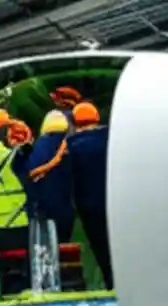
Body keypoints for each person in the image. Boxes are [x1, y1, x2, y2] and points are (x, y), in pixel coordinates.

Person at [0, 108, 34, 297]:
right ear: (1, 131)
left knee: (4, 277)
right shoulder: (13, 155)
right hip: (18, 224)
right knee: (25, 279)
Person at [65, 102, 114, 290]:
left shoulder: (71, 146)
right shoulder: (111, 138)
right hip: (114, 200)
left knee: (100, 249)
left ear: (75, 122)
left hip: (87, 206)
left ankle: (108, 284)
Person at [23, 110, 76, 261]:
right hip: (67, 202)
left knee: (47, 245)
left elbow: (31, 173)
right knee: (65, 242)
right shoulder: (70, 142)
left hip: (44, 203)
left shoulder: (39, 145)